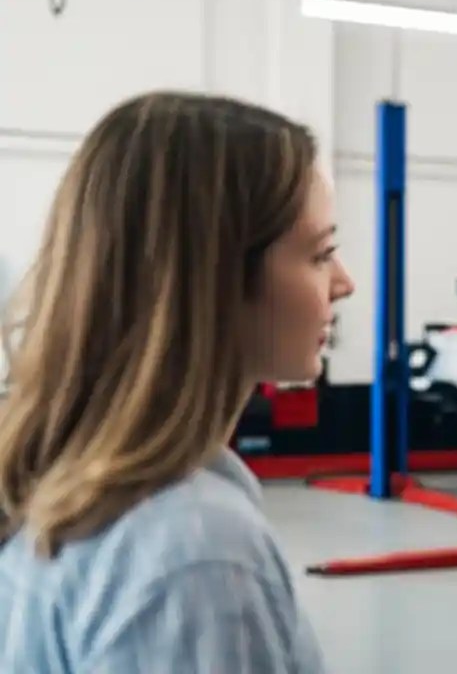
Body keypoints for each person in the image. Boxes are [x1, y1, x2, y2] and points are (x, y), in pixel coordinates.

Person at [0, 92, 354, 672]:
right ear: (214, 278)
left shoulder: (58, 485)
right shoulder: (197, 553)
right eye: (320, 254)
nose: (343, 283)